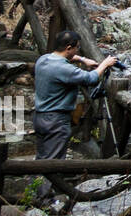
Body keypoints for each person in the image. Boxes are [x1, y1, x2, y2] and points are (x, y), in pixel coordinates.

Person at [32, 30, 118, 160]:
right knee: (53, 161)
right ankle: (52, 180)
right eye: (77, 48)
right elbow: (90, 78)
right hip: (56, 120)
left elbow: (66, 58)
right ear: (68, 48)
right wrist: (105, 64)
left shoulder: (43, 59)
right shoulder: (64, 69)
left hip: (40, 116)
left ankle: (37, 178)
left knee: (42, 156)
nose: (78, 51)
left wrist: (82, 59)